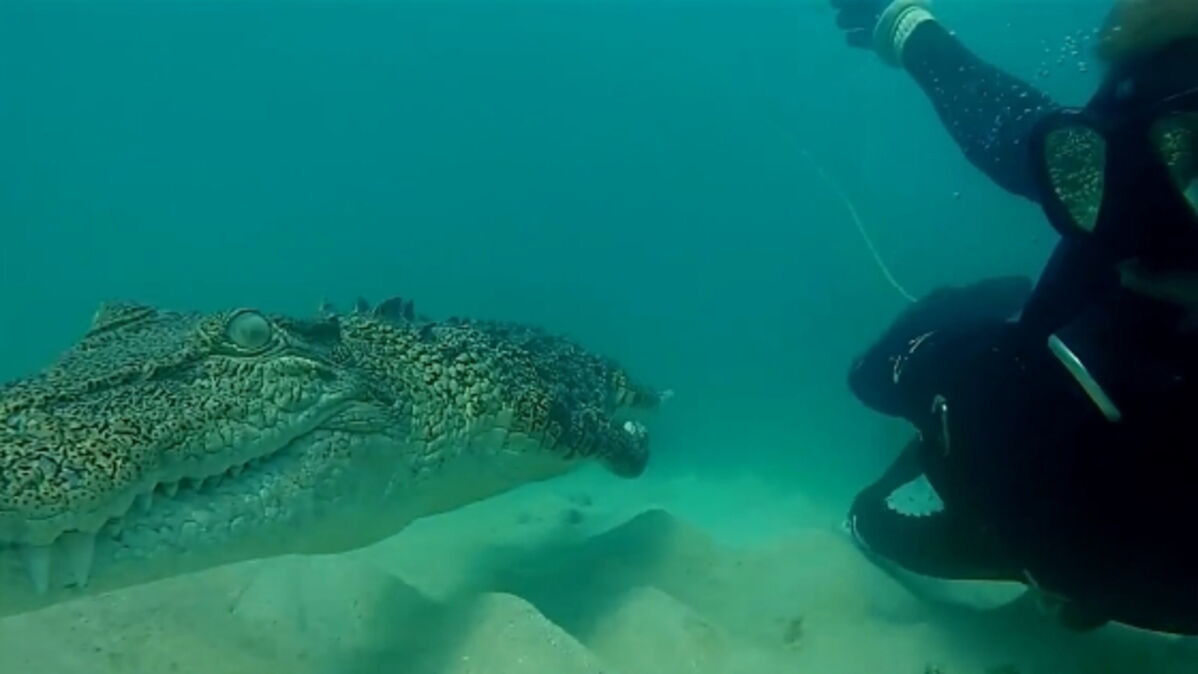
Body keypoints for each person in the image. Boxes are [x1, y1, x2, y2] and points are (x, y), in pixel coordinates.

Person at [832, 0, 1198, 635]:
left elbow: (1028, 141)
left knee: (893, 371)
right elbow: (1044, 148)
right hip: (1145, 560)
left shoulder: (1171, 90)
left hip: (1084, 525)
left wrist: (908, 30)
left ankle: (1021, 547)